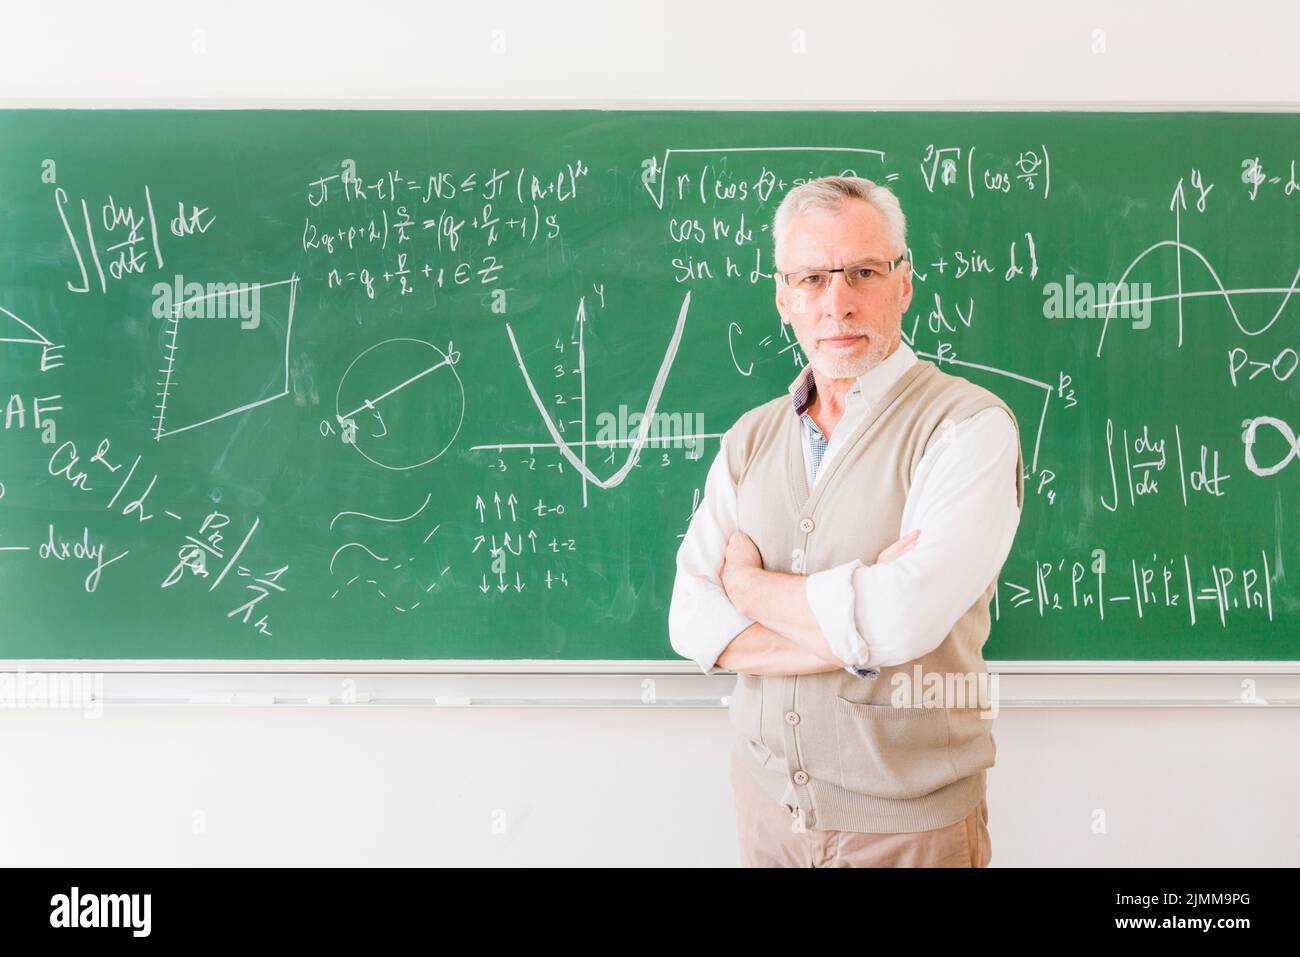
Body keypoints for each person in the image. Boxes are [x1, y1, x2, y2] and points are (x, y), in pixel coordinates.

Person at [668, 176, 1024, 867]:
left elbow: (903, 621)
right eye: (811, 278)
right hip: (768, 810)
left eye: (863, 271)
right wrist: (856, 629)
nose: (837, 302)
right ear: (784, 298)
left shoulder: (967, 427)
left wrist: (747, 587)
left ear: (904, 284)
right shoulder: (750, 439)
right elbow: (689, 621)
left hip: (909, 832)